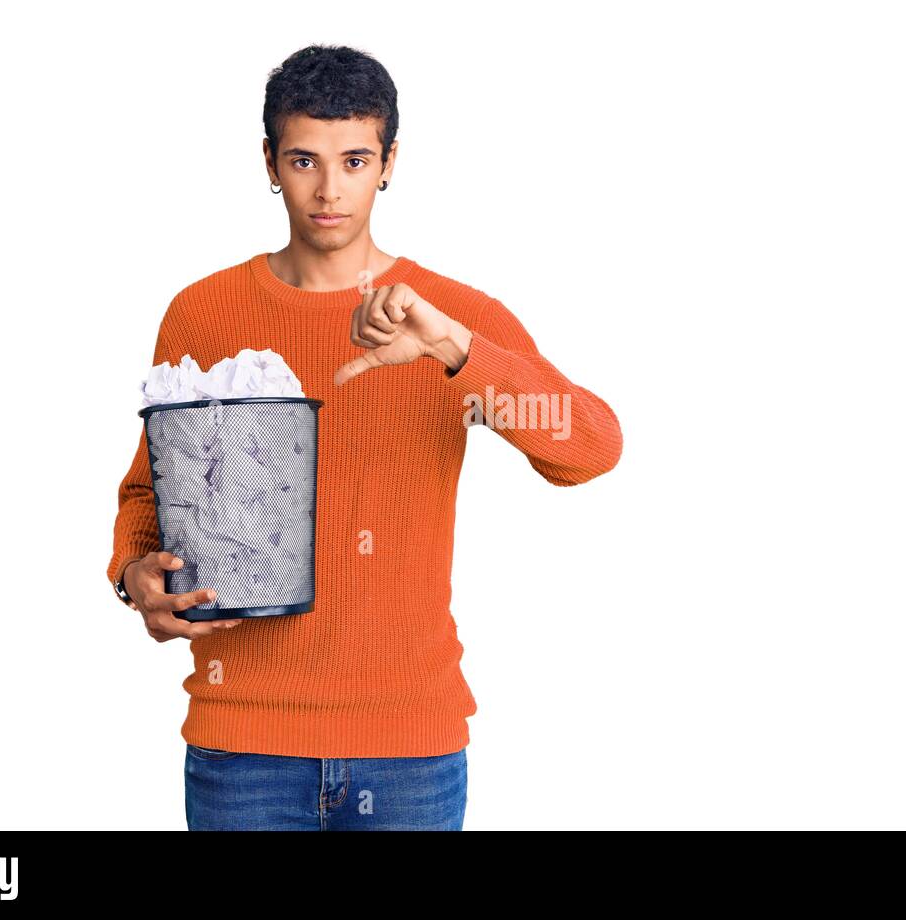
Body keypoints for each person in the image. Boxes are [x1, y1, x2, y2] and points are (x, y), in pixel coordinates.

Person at [107, 43, 623, 831]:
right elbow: (152, 490)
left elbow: (589, 447)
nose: (328, 189)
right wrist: (133, 574)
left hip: (408, 749)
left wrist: (455, 351)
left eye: (353, 160)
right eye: (304, 160)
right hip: (242, 745)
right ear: (270, 163)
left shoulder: (447, 315)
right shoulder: (201, 314)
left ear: (388, 163)